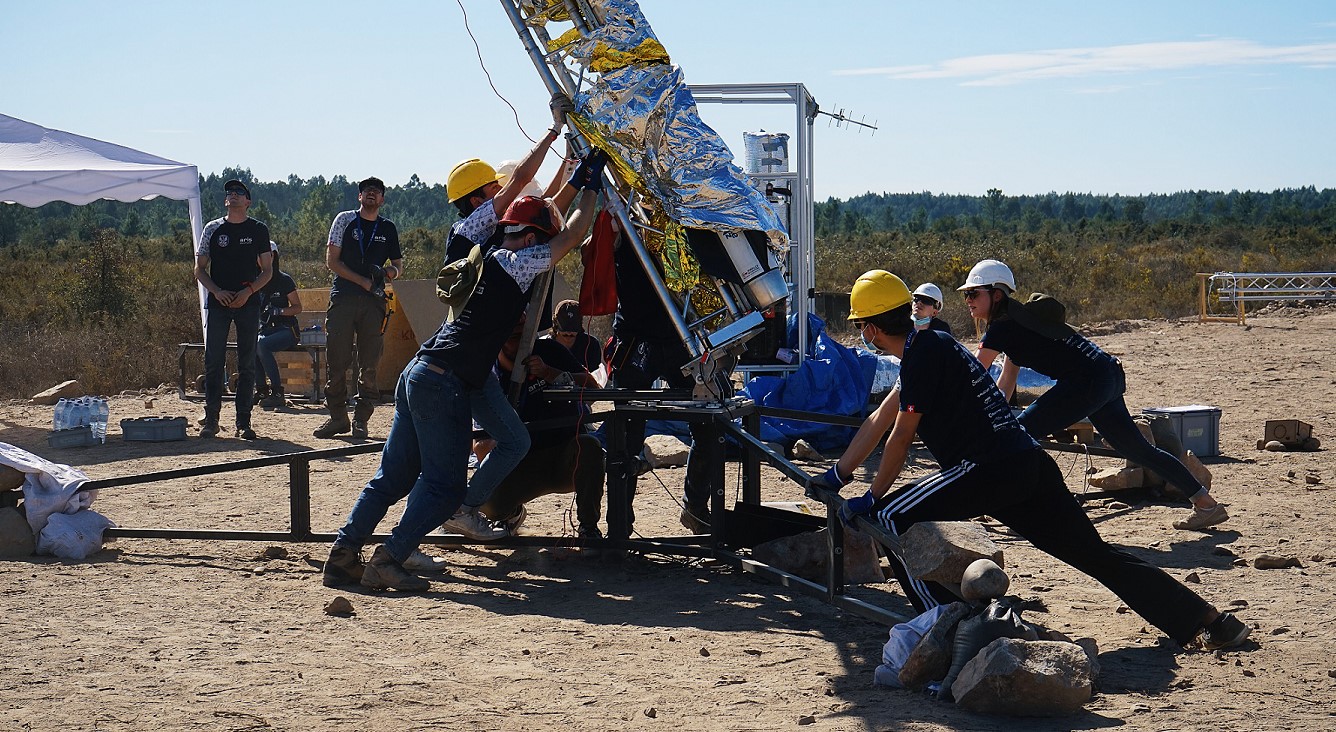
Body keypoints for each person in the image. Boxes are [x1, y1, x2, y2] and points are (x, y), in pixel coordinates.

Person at [825, 269, 1250, 651]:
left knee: (890, 517)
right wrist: (838, 474)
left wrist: (872, 495)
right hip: (1027, 464)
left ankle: (944, 628)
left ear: (872, 329)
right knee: (1095, 555)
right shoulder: (932, 346)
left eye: (861, 327)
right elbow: (880, 418)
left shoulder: (922, 355)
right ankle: (1210, 621)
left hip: (989, 467)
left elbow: (900, 435)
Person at [321, 153, 601, 592]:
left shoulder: (488, 251)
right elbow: (571, 233)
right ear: (528, 238)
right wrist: (592, 187)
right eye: (539, 241)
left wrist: (575, 175)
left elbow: (546, 211)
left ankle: (343, 554)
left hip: (425, 369)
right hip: (446, 380)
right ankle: (391, 556)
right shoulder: (515, 260)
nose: (546, 255)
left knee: (396, 475)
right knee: (444, 484)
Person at [959, 259, 1227, 531]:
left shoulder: (1002, 327)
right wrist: (995, 417)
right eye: (966, 294)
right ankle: (1206, 504)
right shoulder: (1017, 319)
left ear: (996, 294)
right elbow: (1006, 381)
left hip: (1086, 383)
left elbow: (974, 373)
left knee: (1019, 437)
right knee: (1138, 449)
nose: (967, 300)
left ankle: (1031, 509)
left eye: (973, 293)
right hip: (1107, 374)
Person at [406, 318, 605, 570]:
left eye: (526, 334)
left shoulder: (550, 351)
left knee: (589, 446)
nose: (522, 343)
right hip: (519, 465)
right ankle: (507, 515)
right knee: (488, 500)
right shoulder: (487, 373)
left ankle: (588, 529)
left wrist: (549, 373)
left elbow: (592, 384)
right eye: (513, 337)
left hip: (562, 456)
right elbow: (477, 439)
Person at [605, 217, 722, 536]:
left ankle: (696, 508)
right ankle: (619, 524)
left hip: (678, 338)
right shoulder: (624, 219)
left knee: (712, 422)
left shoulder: (677, 224)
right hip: (634, 341)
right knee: (624, 436)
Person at [314, 177, 403, 440]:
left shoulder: (388, 228)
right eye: (366, 190)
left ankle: (361, 420)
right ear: (359, 197)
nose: (371, 194)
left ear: (383, 199)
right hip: (344, 297)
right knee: (337, 361)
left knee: (370, 364)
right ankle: (338, 418)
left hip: (374, 302)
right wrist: (362, 281)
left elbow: (399, 265)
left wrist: (389, 271)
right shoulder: (344, 220)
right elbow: (332, 261)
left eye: (376, 191)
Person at [193, 179, 273, 440]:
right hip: (219, 303)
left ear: (248, 201)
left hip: (247, 303)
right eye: (229, 192)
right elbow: (199, 269)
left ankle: (243, 422)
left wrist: (248, 292)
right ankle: (212, 420)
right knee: (213, 362)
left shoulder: (259, 229)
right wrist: (216, 291)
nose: (233, 196)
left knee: (247, 363)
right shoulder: (213, 228)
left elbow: (267, 271)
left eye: (239, 192)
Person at [255, 241, 303, 409]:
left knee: (262, 345)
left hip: (287, 330)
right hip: (267, 329)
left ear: (273, 256)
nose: (261, 260)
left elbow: (298, 307)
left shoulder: (284, 280)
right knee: (252, 344)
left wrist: (280, 311)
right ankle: (261, 390)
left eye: (265, 256)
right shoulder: (257, 281)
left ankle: (277, 393)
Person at [546, 299, 603, 374]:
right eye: (564, 329)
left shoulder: (591, 345)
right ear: (556, 324)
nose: (569, 333)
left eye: (573, 329)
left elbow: (595, 376)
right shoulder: (545, 346)